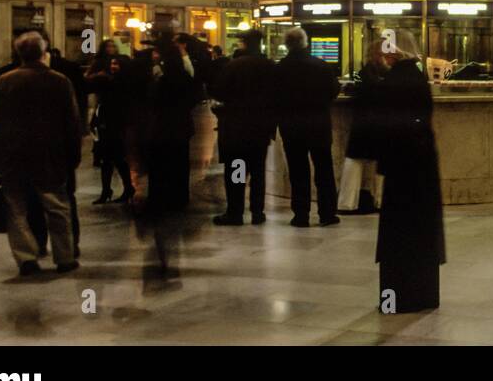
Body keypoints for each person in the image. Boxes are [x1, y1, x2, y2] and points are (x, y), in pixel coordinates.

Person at [346, 38, 445, 312]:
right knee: (421, 234)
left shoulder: (394, 82)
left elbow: (383, 124)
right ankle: (423, 295)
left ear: (391, 54)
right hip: (421, 166)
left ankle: (398, 299)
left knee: (399, 238)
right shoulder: (415, 76)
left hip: (402, 169)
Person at [0, 32, 82, 277]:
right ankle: (65, 257)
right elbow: (72, 122)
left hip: (13, 156)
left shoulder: (4, 81)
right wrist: (73, 154)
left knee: (16, 210)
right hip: (50, 155)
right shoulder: (59, 81)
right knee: (57, 208)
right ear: (43, 52)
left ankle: (26, 258)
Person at [141, 32, 201, 275]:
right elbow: (195, 100)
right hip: (182, 129)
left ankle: (159, 198)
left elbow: (151, 103)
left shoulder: (161, 81)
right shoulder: (186, 79)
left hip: (162, 131)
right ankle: (179, 196)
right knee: (180, 163)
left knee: (160, 166)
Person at [276, 26, 342, 227]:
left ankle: (301, 214)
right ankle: (327, 213)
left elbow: (274, 97)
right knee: (324, 169)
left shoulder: (280, 69)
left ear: (287, 45)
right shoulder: (321, 65)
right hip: (318, 124)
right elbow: (333, 91)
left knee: (298, 171)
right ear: (306, 42)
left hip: (291, 126)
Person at [211, 29, 277, 225]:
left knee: (238, 171)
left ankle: (236, 211)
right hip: (261, 128)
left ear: (245, 44)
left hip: (238, 129)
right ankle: (257, 211)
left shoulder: (235, 66)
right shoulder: (269, 66)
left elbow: (220, 92)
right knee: (258, 172)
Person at [85, 39, 134, 204]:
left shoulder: (122, 83)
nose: (113, 66)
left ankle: (124, 188)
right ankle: (109, 190)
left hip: (116, 123)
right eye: (112, 64)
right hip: (105, 122)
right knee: (108, 158)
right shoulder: (106, 78)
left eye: (116, 64)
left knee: (116, 158)